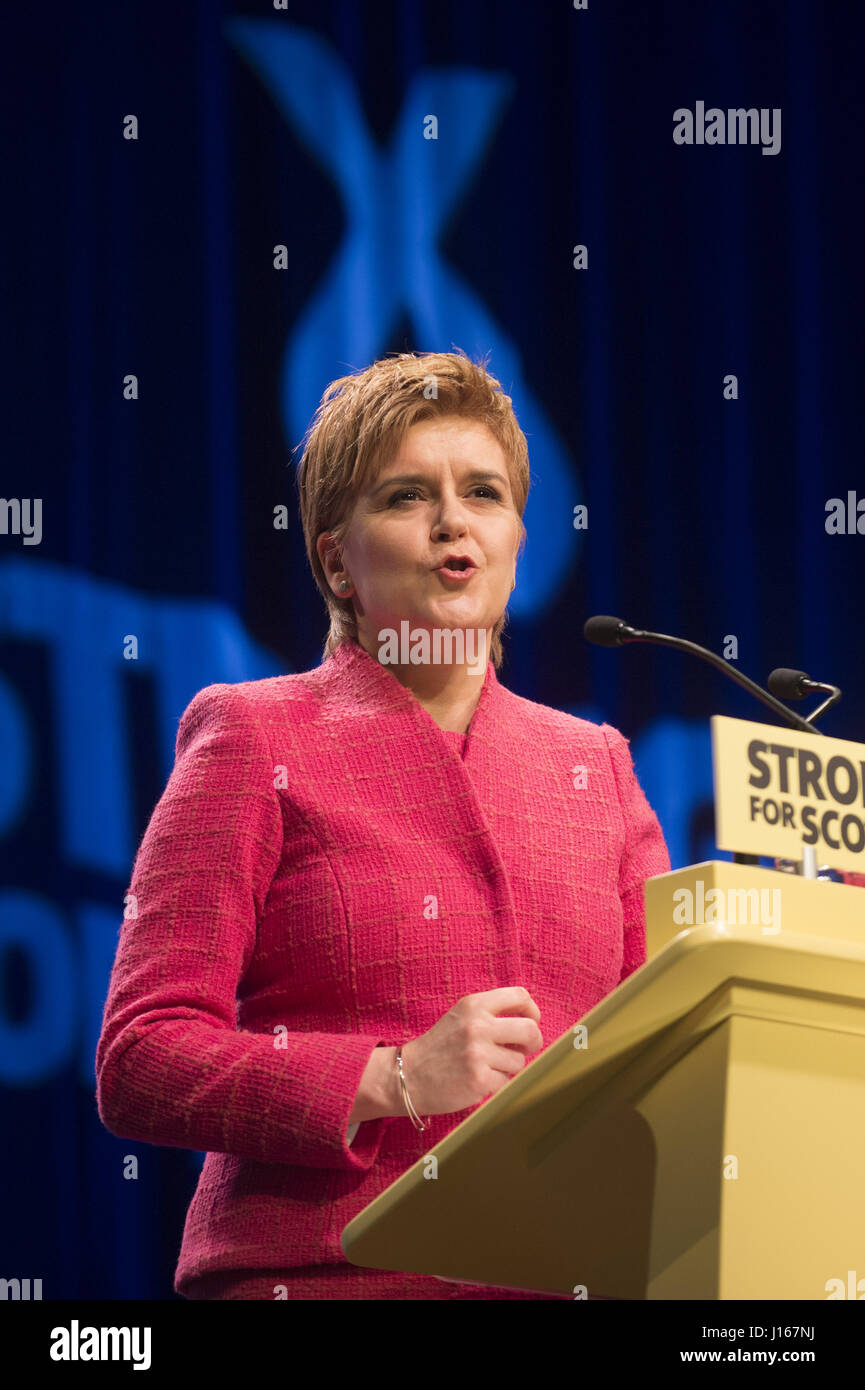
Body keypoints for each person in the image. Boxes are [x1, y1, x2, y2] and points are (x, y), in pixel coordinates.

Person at [95, 349, 671, 1300]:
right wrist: (392, 1075)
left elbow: (665, 1038)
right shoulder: (252, 733)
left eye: (482, 492)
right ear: (336, 560)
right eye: (407, 497)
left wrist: (810, 947)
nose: (454, 522)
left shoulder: (595, 764)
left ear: (517, 535)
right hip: (327, 1275)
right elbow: (142, 1057)